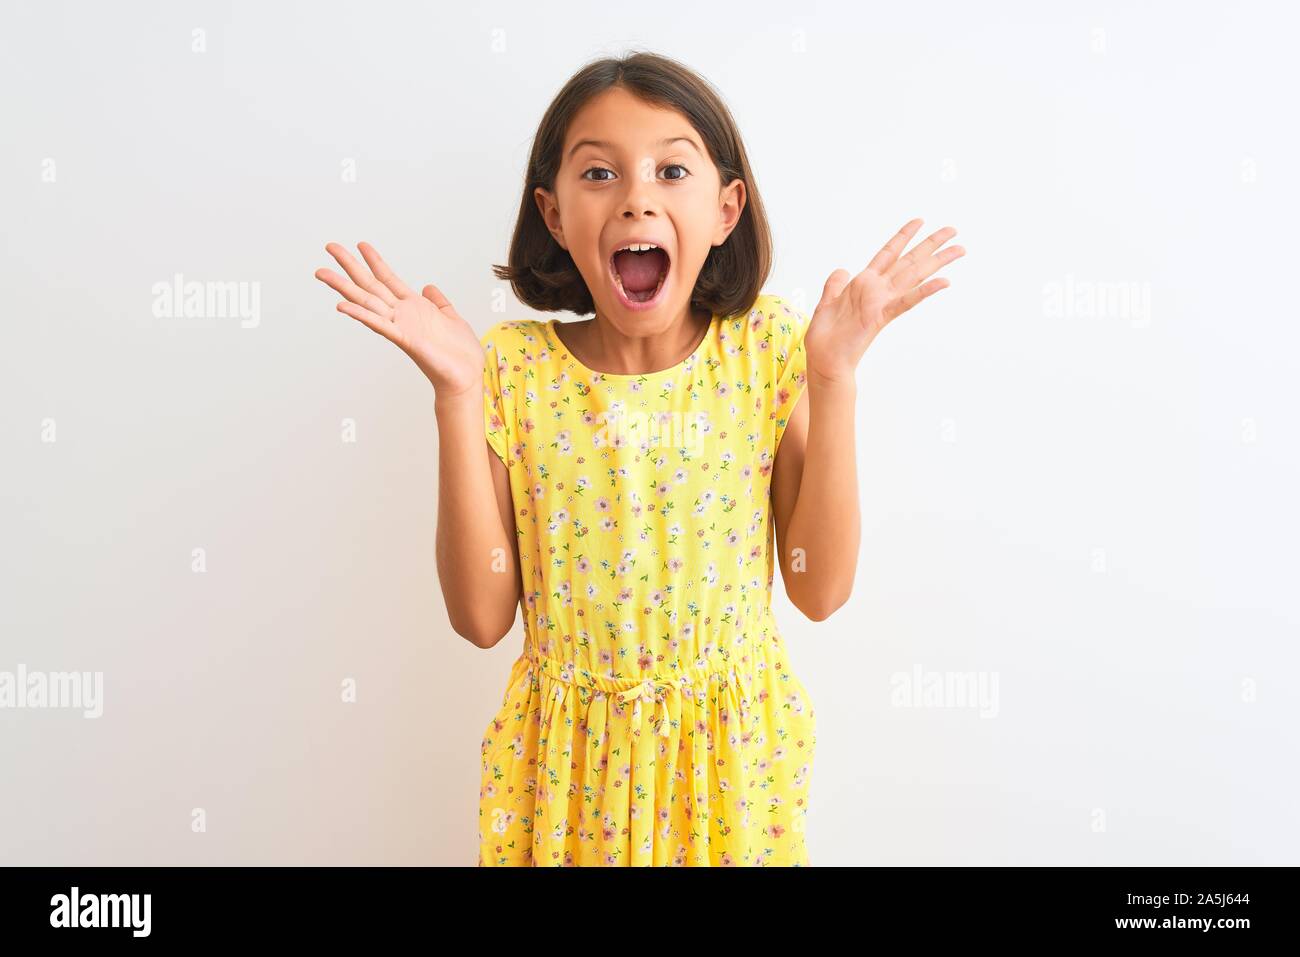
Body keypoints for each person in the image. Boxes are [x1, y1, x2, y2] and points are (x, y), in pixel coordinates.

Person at [314, 50, 964, 866]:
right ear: (552, 215)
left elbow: (820, 587)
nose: (635, 200)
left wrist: (833, 379)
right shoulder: (511, 370)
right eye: (598, 174)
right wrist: (456, 395)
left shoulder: (765, 350)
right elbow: (481, 618)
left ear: (726, 208)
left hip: (728, 776)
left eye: (670, 170)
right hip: (563, 779)